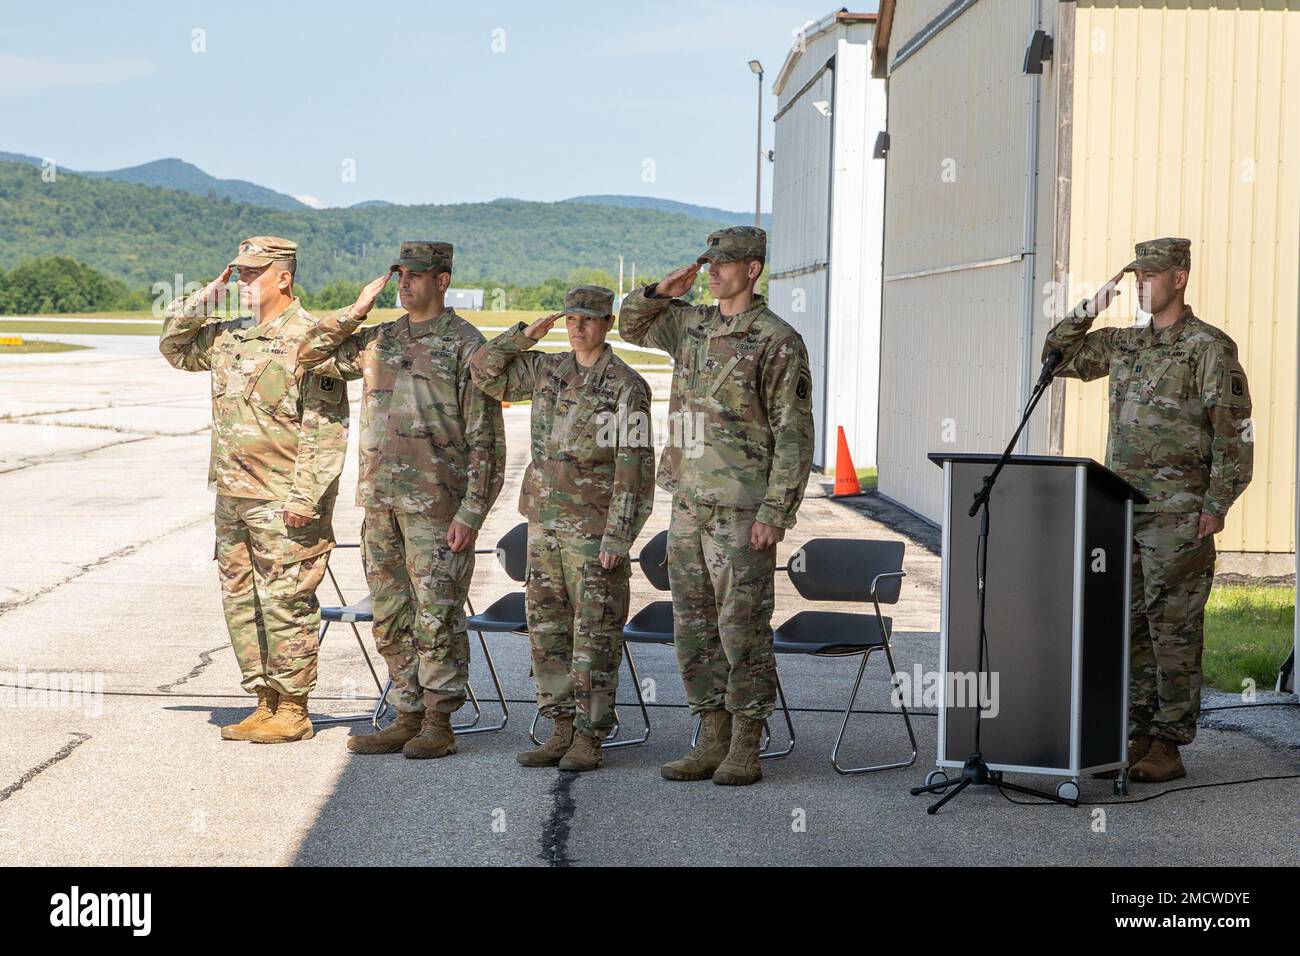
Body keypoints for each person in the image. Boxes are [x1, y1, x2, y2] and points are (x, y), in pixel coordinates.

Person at [1045, 237, 1253, 783]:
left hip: (1180, 515)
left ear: (1178, 278)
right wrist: (1092, 305)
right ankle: (1136, 732)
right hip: (1124, 510)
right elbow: (1058, 355)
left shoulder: (1209, 348)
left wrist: (1216, 505)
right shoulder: (1125, 344)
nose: (1141, 285)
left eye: (1150, 276)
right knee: (1131, 626)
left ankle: (1169, 742)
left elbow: (1235, 436)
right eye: (1136, 276)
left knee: (1174, 628)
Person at [619, 226, 814, 786]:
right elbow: (633, 324)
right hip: (688, 501)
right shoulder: (692, 323)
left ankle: (747, 739)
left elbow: (794, 434)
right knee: (694, 625)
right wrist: (660, 289)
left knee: (742, 626)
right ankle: (711, 732)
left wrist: (777, 513)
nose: (713, 272)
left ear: (753, 269)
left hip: (741, 508)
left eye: (724, 263)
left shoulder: (777, 339)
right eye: (709, 263)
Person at [296, 242, 505, 759]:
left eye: (415, 275)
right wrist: (358, 308)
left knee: (436, 615)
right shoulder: (379, 340)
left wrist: (472, 513)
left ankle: (439, 721)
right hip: (381, 502)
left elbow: (486, 441)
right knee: (390, 615)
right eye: (399, 276)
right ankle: (406, 712)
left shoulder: (465, 345)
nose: (405, 284)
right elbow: (307, 353)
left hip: (438, 507)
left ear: (443, 280)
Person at [160, 236, 349, 743]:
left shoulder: (312, 339)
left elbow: (325, 428)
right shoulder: (230, 338)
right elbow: (173, 347)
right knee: (241, 600)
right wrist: (205, 297)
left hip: (283, 496)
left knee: (287, 599)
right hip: (234, 494)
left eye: (251, 274)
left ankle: (293, 708)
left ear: (283, 277)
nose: (242, 282)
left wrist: (306, 497)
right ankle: (263, 699)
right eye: (238, 274)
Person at [470, 285, 654, 771]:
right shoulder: (548, 368)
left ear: (607, 324)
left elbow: (634, 468)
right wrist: (522, 337)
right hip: (545, 523)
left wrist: (619, 537)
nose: (578, 327)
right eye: (572, 318)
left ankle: (590, 735)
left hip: (594, 530)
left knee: (593, 634)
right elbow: (485, 372)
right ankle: (559, 727)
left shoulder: (625, 385)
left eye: (589, 319)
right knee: (548, 631)